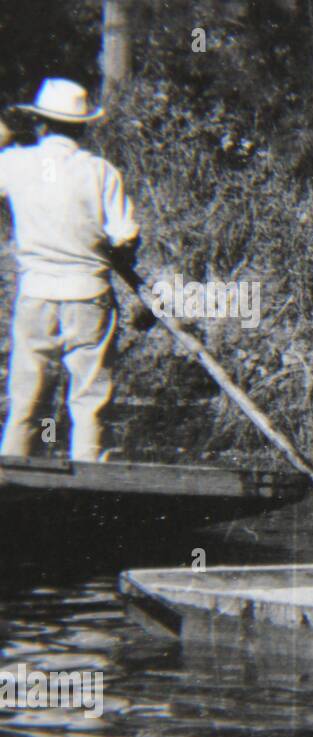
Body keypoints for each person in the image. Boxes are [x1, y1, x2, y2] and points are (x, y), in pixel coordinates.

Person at [0, 78, 140, 462]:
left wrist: (10, 128)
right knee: (89, 399)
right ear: (83, 127)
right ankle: (88, 480)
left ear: (41, 124)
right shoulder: (101, 171)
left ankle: (10, 477)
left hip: (38, 293)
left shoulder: (14, 163)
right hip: (88, 294)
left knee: (27, 397)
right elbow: (125, 236)